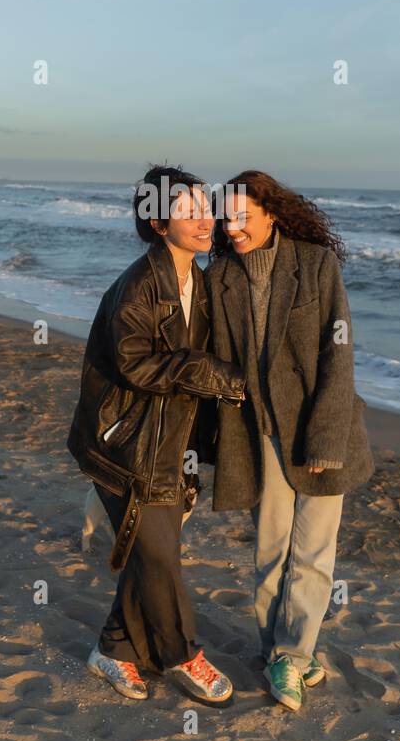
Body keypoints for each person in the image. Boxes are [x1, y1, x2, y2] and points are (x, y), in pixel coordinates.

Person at [67, 165, 245, 703]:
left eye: (204, 207)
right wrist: (221, 377)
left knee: (152, 553)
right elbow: (135, 364)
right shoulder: (139, 287)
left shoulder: (200, 279)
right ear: (157, 221)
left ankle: (114, 650)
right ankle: (181, 654)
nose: (203, 219)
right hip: (124, 444)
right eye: (187, 211)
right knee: (162, 557)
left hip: (174, 444)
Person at [205, 170, 374, 711]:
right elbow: (216, 357)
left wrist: (327, 438)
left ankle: (294, 658)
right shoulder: (220, 277)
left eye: (243, 217)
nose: (233, 228)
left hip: (321, 429)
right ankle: (278, 650)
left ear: (271, 213)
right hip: (258, 433)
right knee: (271, 551)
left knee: (315, 555)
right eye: (226, 217)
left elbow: (337, 353)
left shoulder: (315, 265)